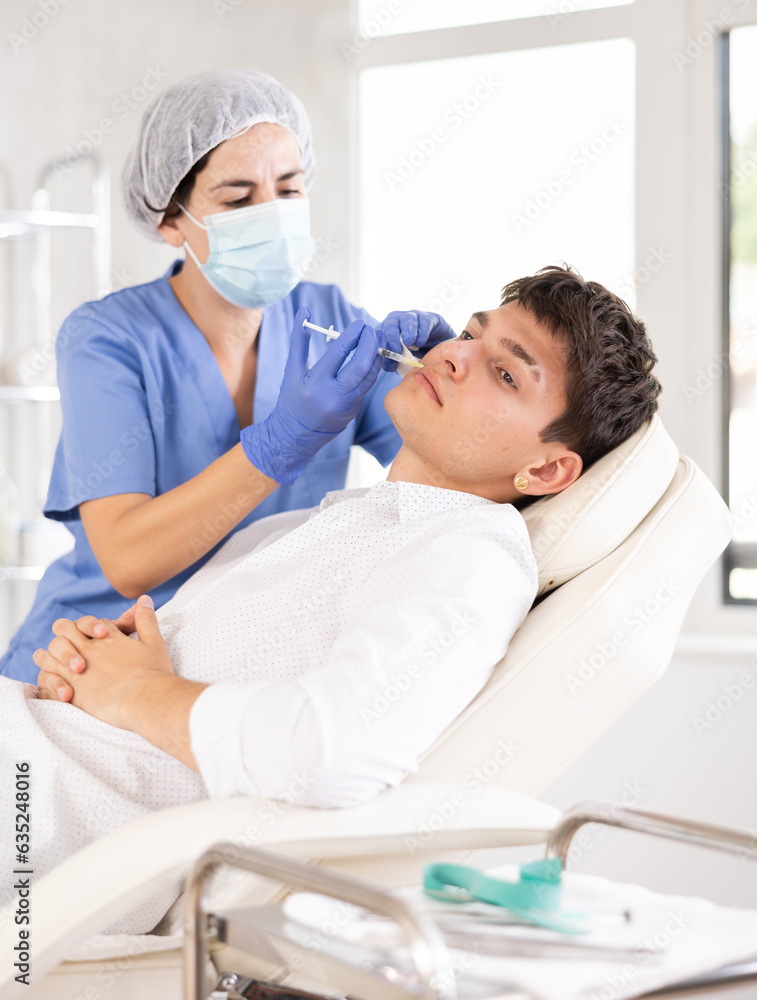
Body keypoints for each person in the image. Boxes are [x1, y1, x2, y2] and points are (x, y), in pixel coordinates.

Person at [1, 265, 661, 934]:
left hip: (40, 809)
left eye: (506, 374)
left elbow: (326, 751)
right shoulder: (348, 524)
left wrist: (132, 692)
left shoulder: (469, 558)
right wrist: (93, 672)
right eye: (468, 334)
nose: (456, 355)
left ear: (545, 469)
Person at [0, 68, 455, 682]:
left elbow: (446, 471)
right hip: (88, 657)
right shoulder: (108, 339)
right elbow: (128, 560)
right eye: (238, 200)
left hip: (236, 662)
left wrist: (456, 380)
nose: (270, 216)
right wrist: (279, 444)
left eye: (289, 191)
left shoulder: (331, 319)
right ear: (170, 220)